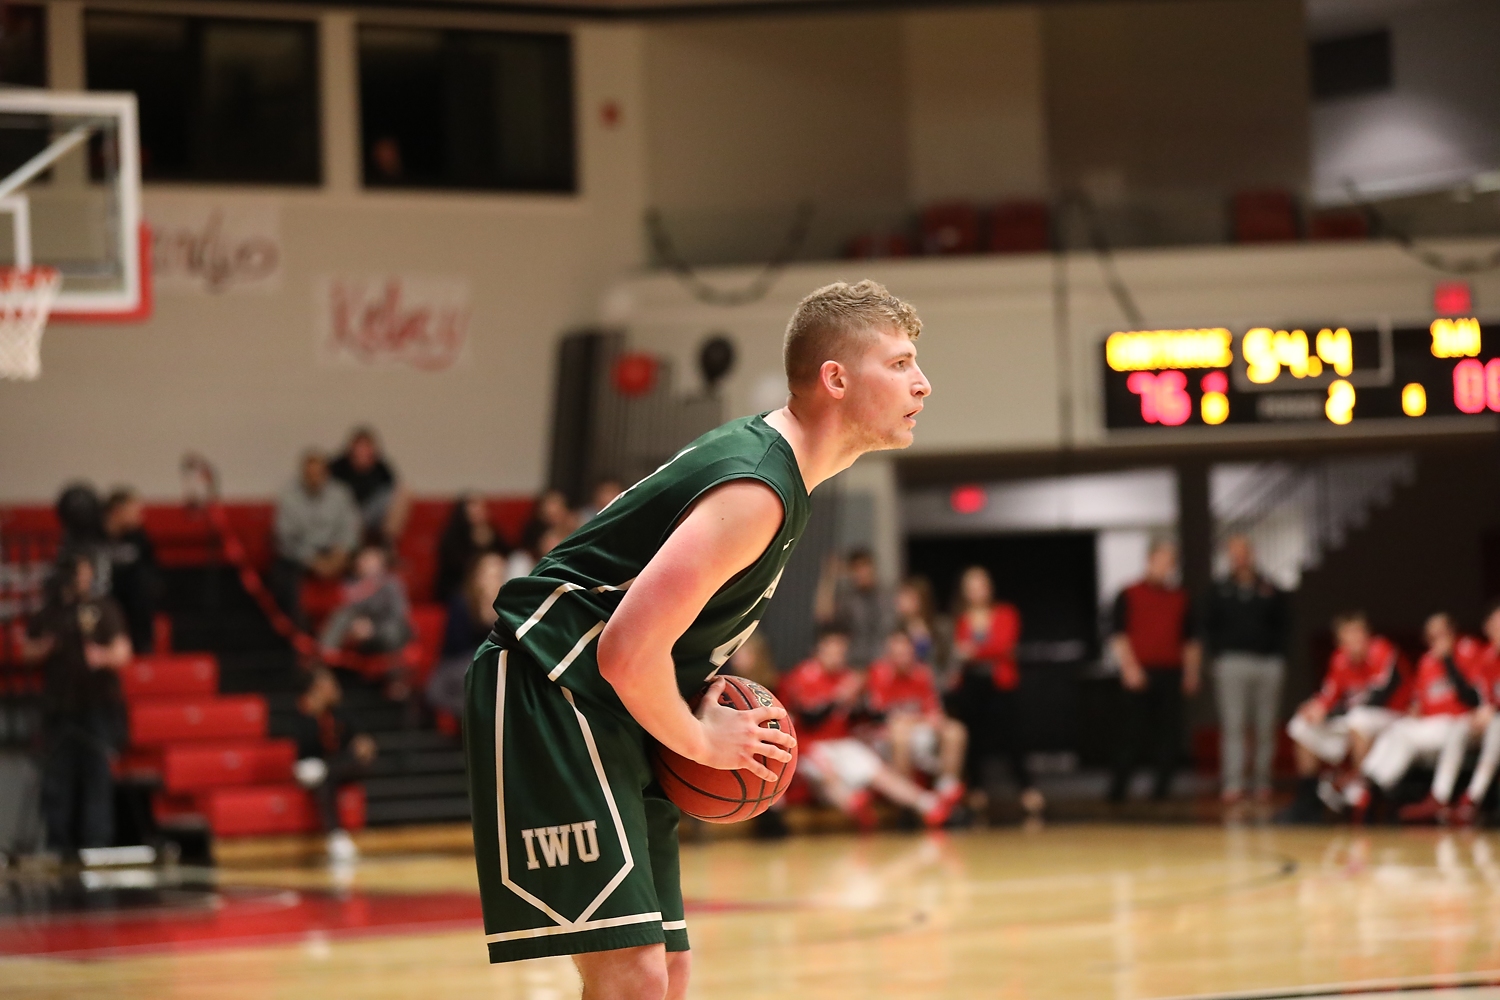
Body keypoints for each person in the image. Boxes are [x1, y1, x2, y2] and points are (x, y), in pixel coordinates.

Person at [462, 278, 929, 998]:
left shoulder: (781, 479)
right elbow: (622, 650)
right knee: (634, 974)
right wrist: (705, 744)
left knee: (669, 971)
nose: (921, 384)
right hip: (555, 684)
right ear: (835, 378)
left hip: (614, 700)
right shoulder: (755, 491)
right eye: (899, 364)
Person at [779, 628, 958, 830]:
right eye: (833, 651)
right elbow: (808, 719)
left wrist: (859, 701)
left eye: (841, 652)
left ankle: (929, 804)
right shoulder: (804, 675)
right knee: (826, 774)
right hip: (810, 745)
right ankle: (856, 806)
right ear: (819, 650)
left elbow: (863, 716)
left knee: (878, 770)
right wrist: (838, 697)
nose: (837, 656)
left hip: (842, 741)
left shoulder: (847, 676)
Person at [20, 553, 132, 856]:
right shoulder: (50, 613)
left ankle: (97, 845)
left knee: (97, 775)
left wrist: (102, 657)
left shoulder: (103, 608)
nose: (81, 578)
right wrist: (42, 649)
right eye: (76, 572)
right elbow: (26, 649)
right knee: (58, 778)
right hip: (58, 707)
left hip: (96, 706)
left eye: (84, 572)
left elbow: (123, 651)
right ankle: (59, 846)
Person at [1349, 613, 1481, 818]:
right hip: (1432, 726)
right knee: (1398, 728)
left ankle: (1371, 788)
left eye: (1441, 634)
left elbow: (1472, 698)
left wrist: (1448, 660)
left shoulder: (1467, 650)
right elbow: (1420, 701)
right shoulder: (1427, 662)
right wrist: (1415, 710)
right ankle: (1368, 784)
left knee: (1414, 734)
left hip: (1461, 724)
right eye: (1431, 637)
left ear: (1452, 632)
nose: (1436, 641)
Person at [1280, 611, 1409, 822]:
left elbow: (1378, 697)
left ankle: (1362, 798)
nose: (1353, 641)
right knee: (1300, 725)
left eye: (1357, 634)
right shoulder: (1340, 659)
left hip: (1393, 717)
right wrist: (1315, 708)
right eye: (1347, 636)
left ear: (1367, 635)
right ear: (1339, 641)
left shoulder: (1382, 650)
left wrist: (1329, 712)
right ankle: (1307, 798)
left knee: (1360, 718)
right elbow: (1329, 696)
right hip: (1354, 717)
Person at [1107, 539, 1201, 804]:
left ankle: (1161, 791)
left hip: (1170, 671)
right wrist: (1129, 668)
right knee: (1130, 732)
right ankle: (1118, 791)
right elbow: (1118, 634)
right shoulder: (1128, 593)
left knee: (1169, 734)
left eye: (1170, 563)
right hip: (1138, 670)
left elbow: (1190, 639)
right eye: (1161, 561)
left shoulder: (1180, 597)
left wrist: (1191, 672)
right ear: (1149, 561)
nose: (1165, 567)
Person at [949, 565, 1042, 818]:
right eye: (971, 586)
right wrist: (973, 652)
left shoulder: (1006, 613)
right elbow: (956, 652)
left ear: (989, 588)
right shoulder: (960, 619)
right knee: (974, 739)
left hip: (1000, 682)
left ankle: (1027, 789)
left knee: (1012, 736)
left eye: (981, 584)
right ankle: (977, 791)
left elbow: (1004, 646)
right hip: (971, 684)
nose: (976, 591)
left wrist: (974, 651)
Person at [1203, 534, 1289, 804]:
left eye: (1243, 552)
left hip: (1267, 664)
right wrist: (1216, 657)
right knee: (1233, 725)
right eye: (1234, 553)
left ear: (1251, 554)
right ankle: (1234, 783)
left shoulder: (1269, 588)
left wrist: (1279, 657)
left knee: (1265, 726)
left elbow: (1285, 626)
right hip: (1231, 663)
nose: (1239, 558)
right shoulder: (1219, 590)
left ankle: (1262, 781)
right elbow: (1208, 627)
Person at [274, 669, 379, 863]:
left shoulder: (341, 711)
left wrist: (363, 743)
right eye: (326, 685)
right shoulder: (303, 713)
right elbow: (303, 749)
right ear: (314, 689)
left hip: (337, 767)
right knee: (322, 780)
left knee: (328, 774)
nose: (331, 689)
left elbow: (361, 741)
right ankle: (336, 836)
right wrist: (312, 716)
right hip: (312, 767)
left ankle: (335, 836)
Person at [865, 630, 966, 800]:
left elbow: (934, 712)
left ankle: (947, 792)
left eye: (905, 653)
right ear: (888, 655)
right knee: (900, 735)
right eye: (896, 654)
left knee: (955, 731)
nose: (902, 658)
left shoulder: (922, 673)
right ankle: (908, 799)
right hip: (886, 735)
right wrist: (918, 719)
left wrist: (926, 719)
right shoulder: (879, 673)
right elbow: (882, 716)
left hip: (919, 728)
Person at [1423, 602, 1500, 825]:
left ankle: (1472, 798)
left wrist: (1492, 709)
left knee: (1497, 724)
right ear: (1487, 628)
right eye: (1495, 625)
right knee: (1461, 724)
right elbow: (1478, 697)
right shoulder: (1486, 658)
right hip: (1489, 720)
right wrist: (1483, 711)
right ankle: (1440, 796)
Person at [269, 450, 362, 627]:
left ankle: (354, 627)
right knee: (281, 575)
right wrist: (313, 561)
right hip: (301, 556)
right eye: (309, 474)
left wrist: (340, 554)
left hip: (336, 552)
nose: (314, 478)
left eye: (318, 473)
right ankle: (298, 632)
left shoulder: (341, 494)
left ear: (326, 473)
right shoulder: (289, 496)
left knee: (366, 567)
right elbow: (285, 538)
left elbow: (351, 527)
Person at [426, 551, 507, 716]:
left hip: (494, 668)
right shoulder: (461, 602)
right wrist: (486, 618)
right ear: (477, 576)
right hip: (460, 664)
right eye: (490, 575)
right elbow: (457, 645)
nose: (495, 580)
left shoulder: (509, 606)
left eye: (499, 575)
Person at [319, 543, 413, 657]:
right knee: (342, 615)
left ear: (380, 563)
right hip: (359, 627)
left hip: (385, 626)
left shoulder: (391, 584)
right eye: (362, 558)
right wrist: (357, 625)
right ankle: (326, 654)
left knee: (394, 631)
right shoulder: (350, 584)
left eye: (369, 559)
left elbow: (399, 615)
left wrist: (373, 628)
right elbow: (349, 610)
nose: (363, 562)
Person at [102, 487, 161, 654]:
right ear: (117, 511)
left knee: (142, 583)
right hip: (103, 595)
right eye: (134, 510)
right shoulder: (96, 537)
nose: (140, 516)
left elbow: (151, 569)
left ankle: (142, 648)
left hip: (132, 599)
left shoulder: (139, 537)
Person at [814, 549, 895, 669]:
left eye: (865, 567)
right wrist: (829, 577)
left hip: (883, 663)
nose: (862, 573)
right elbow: (823, 615)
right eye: (856, 569)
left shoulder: (887, 596)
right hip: (852, 664)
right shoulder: (847, 597)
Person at [329, 426, 409, 542]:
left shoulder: (381, 468)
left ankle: (387, 542)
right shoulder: (338, 466)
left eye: (366, 446)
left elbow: (391, 491)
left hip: (369, 515)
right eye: (359, 446)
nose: (362, 451)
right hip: (343, 513)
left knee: (404, 491)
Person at [435, 493, 510, 603]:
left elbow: (505, 555)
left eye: (481, 507)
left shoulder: (492, 532)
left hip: (492, 585)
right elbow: (453, 566)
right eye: (473, 507)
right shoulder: (452, 536)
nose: (477, 511)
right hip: (458, 587)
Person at [510, 489, 577, 579]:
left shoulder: (579, 552)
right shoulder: (522, 561)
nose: (553, 522)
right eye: (548, 517)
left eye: (557, 516)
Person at [894, 576, 948, 675]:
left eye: (907, 597)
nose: (900, 601)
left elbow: (947, 660)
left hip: (937, 684)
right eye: (901, 596)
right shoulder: (896, 631)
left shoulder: (940, 627)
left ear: (920, 600)